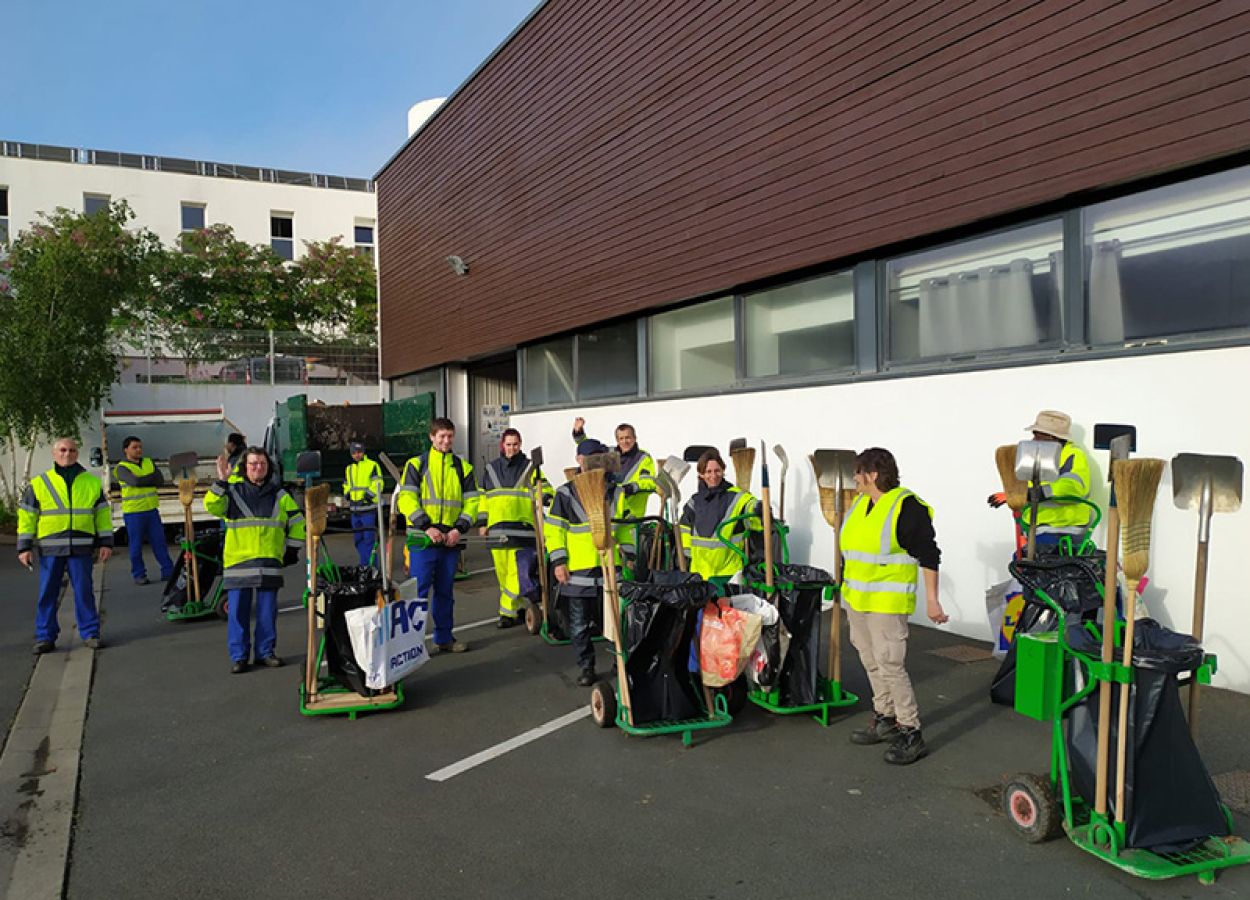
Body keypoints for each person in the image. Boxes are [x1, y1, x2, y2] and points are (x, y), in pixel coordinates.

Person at [842, 447, 947, 766]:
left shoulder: (906, 507)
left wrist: (932, 600)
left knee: (890, 664)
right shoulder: (860, 504)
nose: (855, 478)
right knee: (870, 660)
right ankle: (885, 716)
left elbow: (929, 554)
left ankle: (910, 730)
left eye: (859, 472)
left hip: (887, 601)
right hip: (857, 599)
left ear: (873, 475)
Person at [204, 446, 304, 674]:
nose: (258, 467)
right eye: (253, 464)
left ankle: (265, 653)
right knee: (238, 614)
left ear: (268, 468)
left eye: (262, 464)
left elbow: (298, 522)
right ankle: (239, 657)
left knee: (267, 612)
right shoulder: (232, 491)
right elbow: (212, 506)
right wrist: (221, 482)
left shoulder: (280, 495)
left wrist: (292, 550)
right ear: (245, 467)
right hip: (239, 563)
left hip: (269, 562)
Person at [17, 437, 113, 652]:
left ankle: (90, 633)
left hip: (81, 546)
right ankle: (45, 636)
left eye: (71, 450)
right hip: (51, 548)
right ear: (54, 454)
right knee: (47, 593)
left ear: (77, 454)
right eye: (62, 450)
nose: (66, 454)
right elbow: (27, 517)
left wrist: (106, 542)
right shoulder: (39, 483)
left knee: (84, 591)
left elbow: (102, 515)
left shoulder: (91, 482)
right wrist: (24, 547)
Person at [544, 438, 626, 686]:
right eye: (591, 459)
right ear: (579, 460)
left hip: (610, 568)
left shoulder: (615, 491)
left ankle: (618, 663)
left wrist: (628, 555)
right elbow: (554, 530)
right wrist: (559, 561)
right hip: (577, 570)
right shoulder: (565, 493)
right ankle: (586, 667)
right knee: (579, 625)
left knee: (614, 621)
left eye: (600, 459)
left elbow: (624, 527)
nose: (595, 464)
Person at [396, 417, 479, 653]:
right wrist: (426, 526)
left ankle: (444, 638)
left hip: (450, 541)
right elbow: (407, 500)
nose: (446, 440)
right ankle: (412, 644)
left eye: (450, 436)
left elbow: (473, 502)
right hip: (423, 541)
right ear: (432, 437)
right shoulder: (416, 464)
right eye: (441, 436)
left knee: (445, 592)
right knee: (418, 594)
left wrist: (459, 529)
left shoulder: (464, 467)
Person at [477, 428, 552, 628]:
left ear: (521, 445)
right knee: (503, 575)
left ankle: (506, 613)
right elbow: (483, 498)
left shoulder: (530, 468)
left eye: (515, 444)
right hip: (496, 530)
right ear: (503, 445)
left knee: (516, 574)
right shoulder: (491, 469)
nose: (512, 448)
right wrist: (483, 522)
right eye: (508, 444)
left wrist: (545, 496)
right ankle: (518, 608)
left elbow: (545, 489)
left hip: (522, 530)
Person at [987, 409, 1092, 549]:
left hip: (1064, 527)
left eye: (1038, 435)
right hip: (1038, 528)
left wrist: (1030, 494)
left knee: (1035, 562)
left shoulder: (1073, 455)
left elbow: (1071, 486)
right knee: (1021, 563)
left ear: (1053, 437)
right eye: (1034, 434)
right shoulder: (1036, 456)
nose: (1034, 440)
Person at [677, 448, 762, 591]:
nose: (713, 475)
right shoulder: (694, 502)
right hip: (699, 574)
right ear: (701, 474)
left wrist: (759, 509)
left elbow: (752, 512)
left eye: (717, 471)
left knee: (728, 612)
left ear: (723, 471)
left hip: (728, 574)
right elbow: (684, 528)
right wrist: (686, 557)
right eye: (708, 472)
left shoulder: (737, 497)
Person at [571, 417, 656, 559]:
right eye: (621, 438)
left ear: (635, 438)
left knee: (628, 556)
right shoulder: (610, 454)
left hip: (631, 516)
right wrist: (579, 434)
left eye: (628, 438)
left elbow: (649, 483)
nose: (625, 442)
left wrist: (631, 488)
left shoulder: (643, 458)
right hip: (610, 512)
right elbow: (590, 449)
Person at [115, 436, 174, 586]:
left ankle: (168, 571)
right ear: (126, 450)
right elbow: (135, 482)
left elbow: (159, 480)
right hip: (134, 512)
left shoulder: (148, 462)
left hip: (151, 510)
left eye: (140, 447)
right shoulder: (121, 468)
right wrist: (149, 479)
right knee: (135, 545)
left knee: (159, 542)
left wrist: (143, 479)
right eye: (135, 447)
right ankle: (139, 574)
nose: (139, 450)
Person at [342, 441, 384, 568]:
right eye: (354, 453)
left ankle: (371, 567)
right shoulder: (349, 469)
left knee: (368, 540)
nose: (357, 455)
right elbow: (346, 485)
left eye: (359, 452)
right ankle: (366, 564)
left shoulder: (372, 465)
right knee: (358, 540)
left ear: (363, 452)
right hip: (355, 510)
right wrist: (347, 494)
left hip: (368, 509)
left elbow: (378, 484)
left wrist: (366, 497)